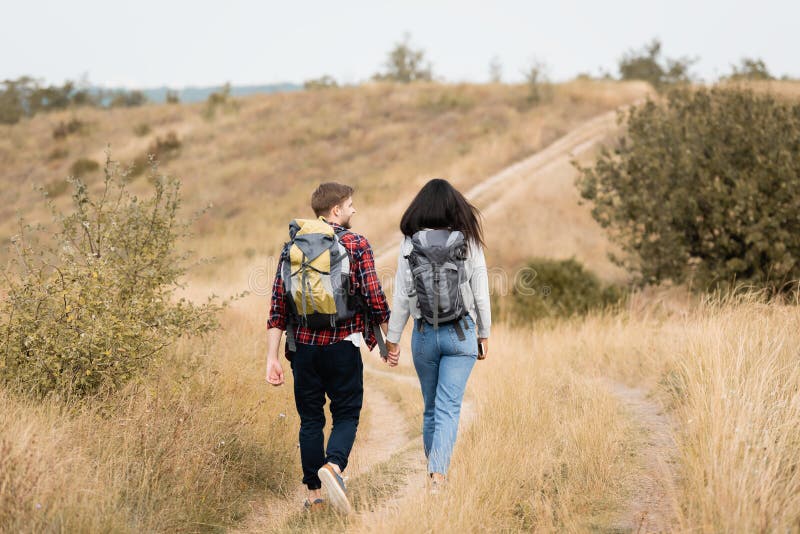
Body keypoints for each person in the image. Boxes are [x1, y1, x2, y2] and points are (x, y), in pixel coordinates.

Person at [265, 182, 391, 513]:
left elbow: (278, 307)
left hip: (303, 349)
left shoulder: (290, 247)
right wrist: (385, 340)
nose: (354, 210)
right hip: (342, 346)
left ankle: (314, 497)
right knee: (346, 413)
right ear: (335, 210)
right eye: (350, 205)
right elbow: (374, 298)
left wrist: (271, 358)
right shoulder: (355, 243)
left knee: (310, 420)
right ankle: (333, 467)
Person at [384, 178, 491, 493]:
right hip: (461, 334)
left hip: (423, 336)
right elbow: (481, 294)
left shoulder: (409, 243)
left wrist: (392, 339)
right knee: (448, 406)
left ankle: (435, 474)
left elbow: (402, 297)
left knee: (431, 406)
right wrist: (484, 332)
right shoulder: (467, 241)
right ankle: (438, 476)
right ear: (455, 207)